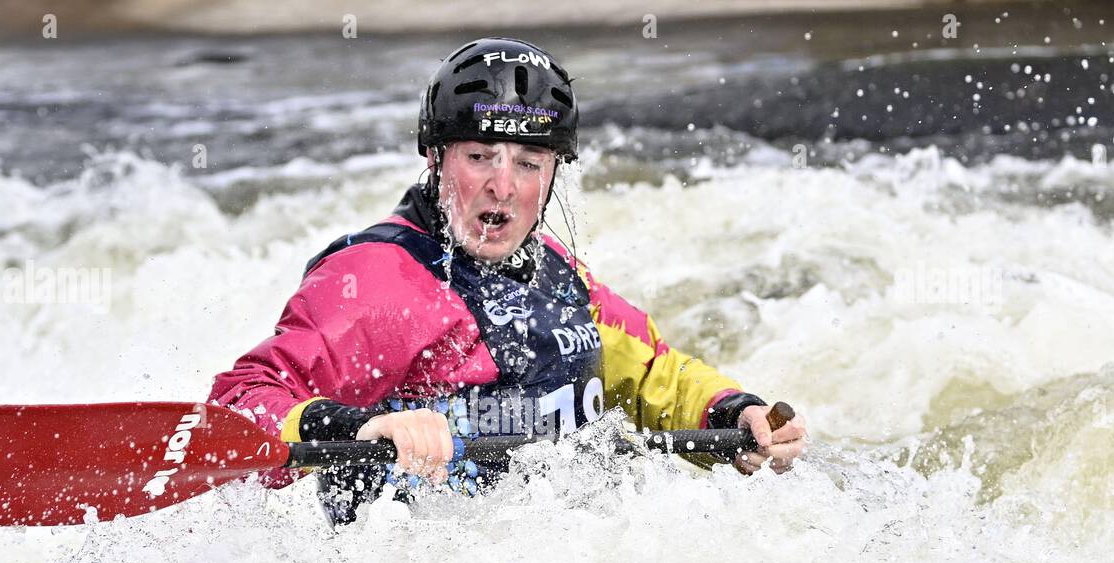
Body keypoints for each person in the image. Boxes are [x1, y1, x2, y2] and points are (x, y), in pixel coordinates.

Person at [209, 37, 807, 524]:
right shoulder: (375, 279)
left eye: (528, 163)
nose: (503, 186)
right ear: (435, 156)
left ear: (553, 172)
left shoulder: (553, 270)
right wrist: (362, 425)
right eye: (480, 157)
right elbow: (241, 400)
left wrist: (733, 413)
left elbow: (653, 374)